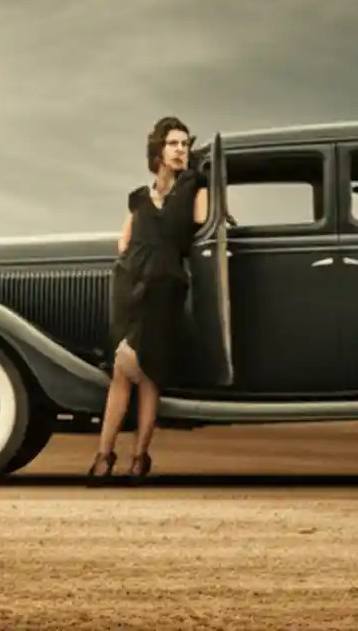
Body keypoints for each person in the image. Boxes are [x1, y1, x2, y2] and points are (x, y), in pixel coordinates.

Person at [87, 116, 208, 482]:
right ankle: (111, 455)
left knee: (149, 371)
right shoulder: (139, 197)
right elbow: (123, 242)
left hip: (165, 288)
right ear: (158, 149)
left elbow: (202, 225)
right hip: (130, 287)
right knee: (122, 373)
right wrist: (134, 262)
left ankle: (132, 454)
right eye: (173, 143)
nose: (180, 150)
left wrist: (195, 180)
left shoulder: (195, 187)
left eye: (185, 144)